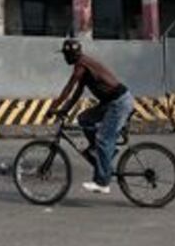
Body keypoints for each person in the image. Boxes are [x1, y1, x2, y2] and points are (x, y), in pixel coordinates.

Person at [51, 38, 134, 195]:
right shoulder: (83, 65)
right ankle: (105, 151)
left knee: (103, 139)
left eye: (66, 55)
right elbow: (77, 92)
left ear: (71, 55)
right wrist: (65, 109)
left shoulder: (81, 66)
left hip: (119, 102)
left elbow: (69, 88)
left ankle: (102, 182)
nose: (64, 59)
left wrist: (53, 107)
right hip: (111, 102)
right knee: (84, 119)